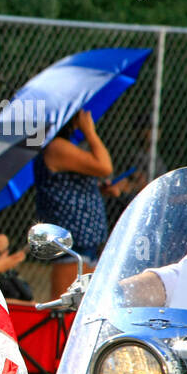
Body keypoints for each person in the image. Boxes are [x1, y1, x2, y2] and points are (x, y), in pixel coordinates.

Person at [34, 108, 120, 298]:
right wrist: (90, 131)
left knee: (83, 309)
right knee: (66, 308)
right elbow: (104, 166)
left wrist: (98, 189)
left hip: (85, 239)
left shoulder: (63, 146)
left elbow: (71, 184)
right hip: (72, 241)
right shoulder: (56, 146)